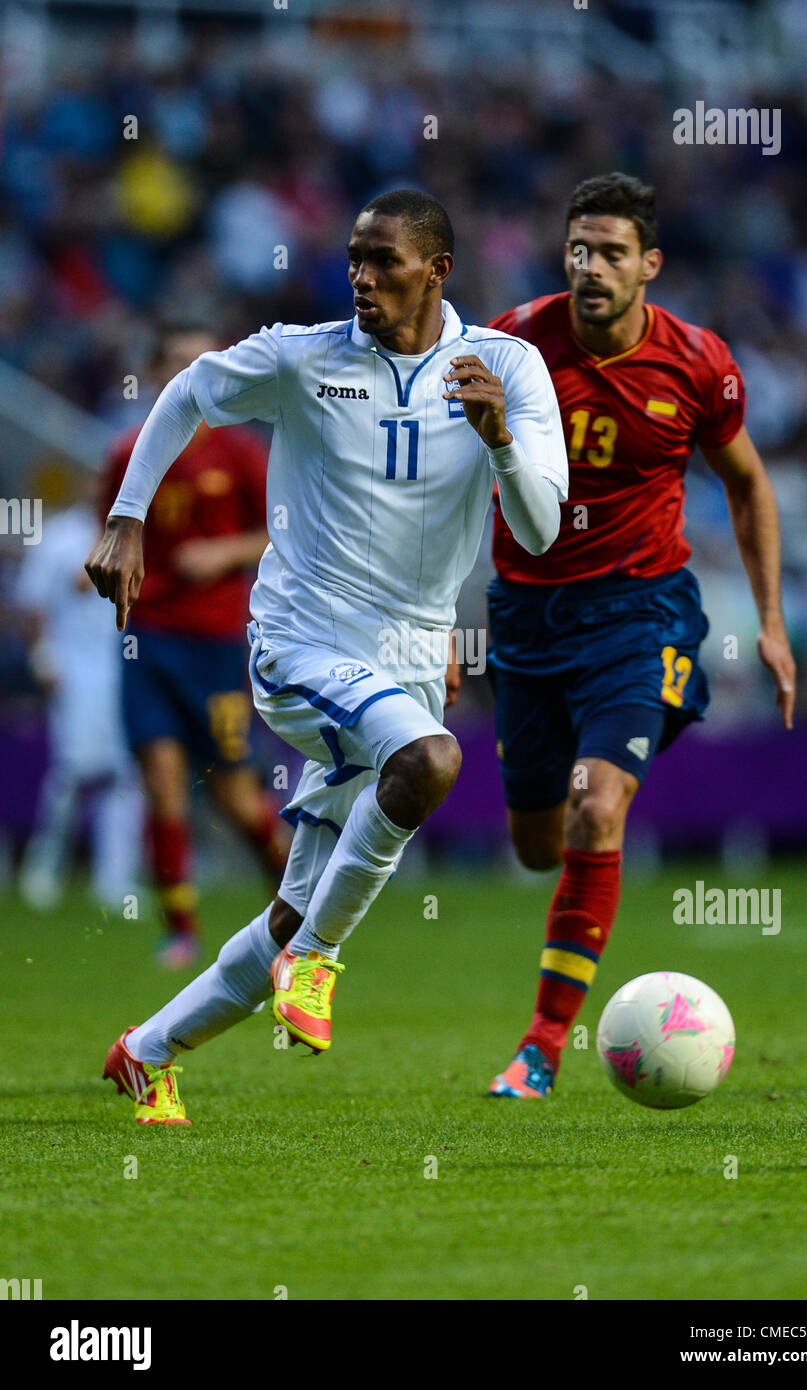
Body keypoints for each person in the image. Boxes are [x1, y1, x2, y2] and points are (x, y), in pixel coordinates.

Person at [85, 188, 568, 1125]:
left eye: (383, 260)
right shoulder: (304, 357)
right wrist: (127, 517)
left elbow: (542, 532)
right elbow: (187, 392)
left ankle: (145, 1051)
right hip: (299, 641)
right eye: (353, 256)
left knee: (293, 906)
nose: (360, 275)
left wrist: (500, 437)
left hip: (413, 657)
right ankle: (317, 961)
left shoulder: (505, 368)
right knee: (430, 760)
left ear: (437, 271)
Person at [485, 173, 796, 1100]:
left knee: (596, 809)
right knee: (538, 845)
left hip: (639, 608)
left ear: (648, 266)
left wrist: (771, 623)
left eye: (611, 251)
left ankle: (539, 1049)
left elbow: (745, 483)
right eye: (578, 248)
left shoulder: (698, 364)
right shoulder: (509, 344)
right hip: (527, 614)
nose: (590, 267)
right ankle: (577, 915)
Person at [100, 325, 288, 969]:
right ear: (155, 373)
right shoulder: (128, 454)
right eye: (177, 363)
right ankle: (179, 928)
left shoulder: (240, 455)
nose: (190, 375)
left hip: (213, 646)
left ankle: (299, 909)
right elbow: (111, 539)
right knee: (161, 783)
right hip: (145, 642)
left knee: (238, 798)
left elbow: (282, 532)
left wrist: (225, 552)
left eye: (202, 364)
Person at [16, 484, 143, 911]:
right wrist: (43, 660)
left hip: (123, 670)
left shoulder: (137, 536)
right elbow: (32, 607)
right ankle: (43, 871)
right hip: (73, 671)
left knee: (126, 775)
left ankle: (116, 880)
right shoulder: (60, 537)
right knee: (72, 772)